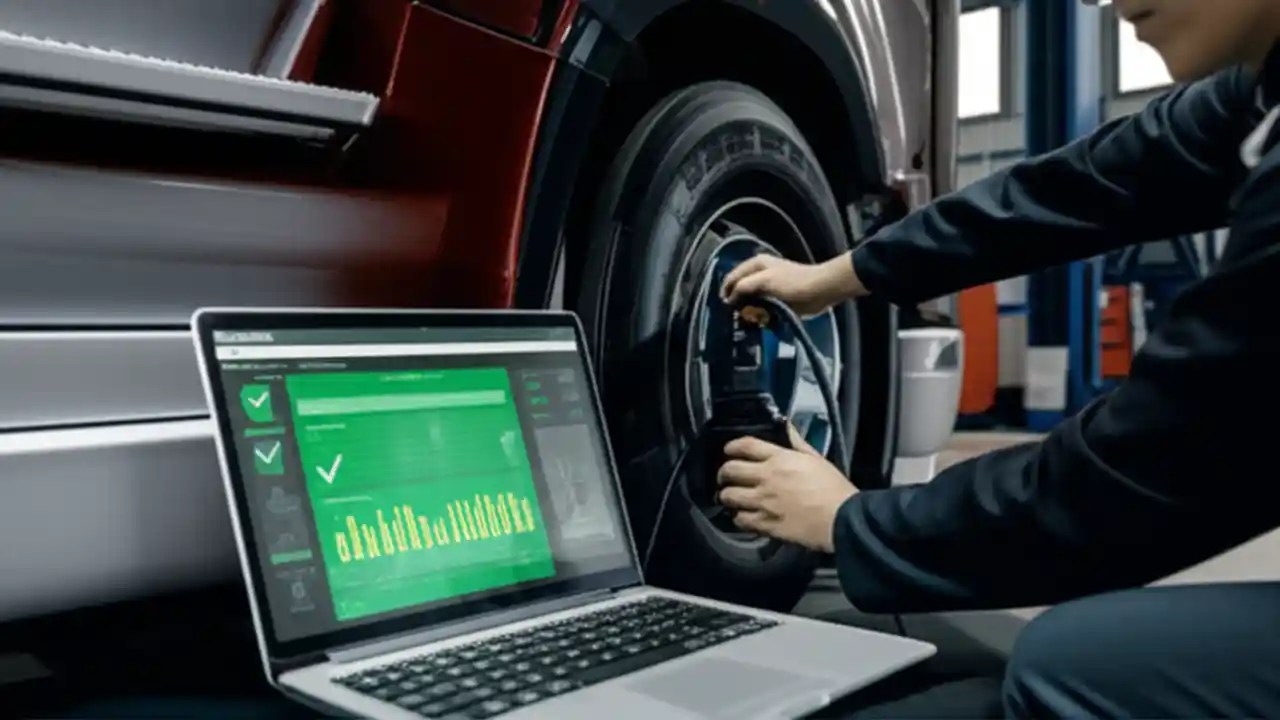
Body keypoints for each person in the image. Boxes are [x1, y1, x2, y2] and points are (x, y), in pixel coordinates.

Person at [718, 0, 1280, 716]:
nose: (1110, 1)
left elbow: (1157, 467)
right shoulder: (1258, 92)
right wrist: (841, 273)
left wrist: (851, 522)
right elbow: (1077, 185)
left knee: (1069, 665)